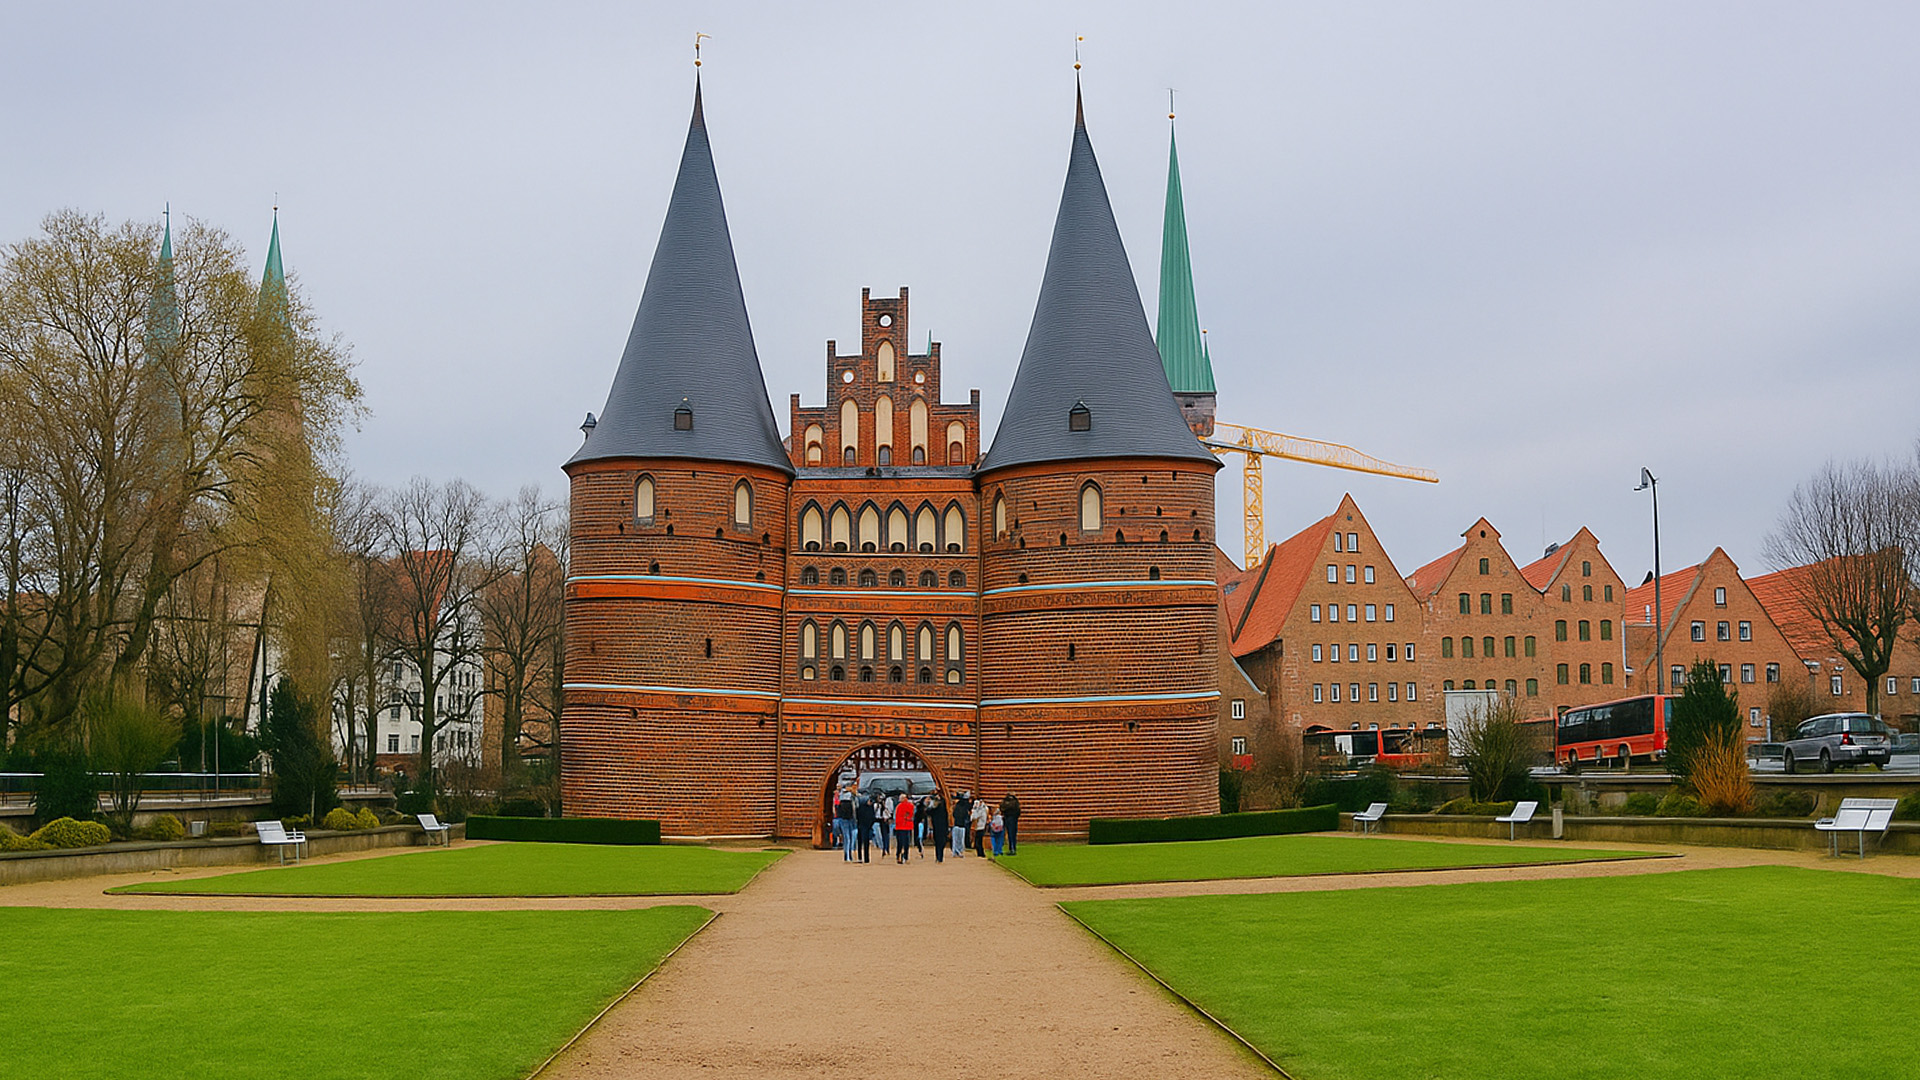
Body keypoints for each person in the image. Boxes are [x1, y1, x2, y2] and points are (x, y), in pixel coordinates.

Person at [925, 791, 949, 864]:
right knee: (938, 842)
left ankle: (939, 857)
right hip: (937, 826)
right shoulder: (934, 809)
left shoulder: (942, 807)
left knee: (941, 842)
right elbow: (928, 812)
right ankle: (938, 857)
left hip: (941, 826)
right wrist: (929, 805)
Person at [835, 785, 856, 861]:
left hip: (844, 818)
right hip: (849, 818)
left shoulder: (841, 798)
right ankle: (848, 854)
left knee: (846, 837)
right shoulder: (851, 798)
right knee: (849, 837)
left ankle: (847, 854)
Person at [893, 791, 915, 864]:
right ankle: (905, 856)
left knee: (900, 842)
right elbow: (910, 815)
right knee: (906, 843)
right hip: (907, 826)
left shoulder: (899, 806)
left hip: (900, 826)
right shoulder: (910, 805)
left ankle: (899, 855)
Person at [854, 790, 876, 863]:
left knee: (860, 842)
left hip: (861, 824)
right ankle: (866, 858)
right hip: (865, 825)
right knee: (865, 842)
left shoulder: (860, 806)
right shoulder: (870, 807)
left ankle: (860, 857)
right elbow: (873, 816)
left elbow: (857, 815)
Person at [1000, 791, 1021, 855]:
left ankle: (1008, 848)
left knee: (1007, 833)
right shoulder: (1015, 801)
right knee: (1012, 834)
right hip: (1013, 819)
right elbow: (1018, 810)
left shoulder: (1004, 801)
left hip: (1006, 818)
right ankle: (1012, 848)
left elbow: (1001, 808)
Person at [950, 791, 970, 858]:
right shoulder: (963, 807)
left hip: (958, 825)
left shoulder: (958, 806)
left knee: (957, 840)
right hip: (960, 825)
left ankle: (957, 852)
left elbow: (954, 814)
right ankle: (957, 851)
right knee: (959, 840)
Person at [969, 792, 989, 857]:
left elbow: (975, 816)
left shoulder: (982, 809)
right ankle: (979, 852)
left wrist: (974, 812)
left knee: (979, 840)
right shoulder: (980, 809)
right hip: (978, 826)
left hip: (980, 826)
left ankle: (981, 853)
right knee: (978, 840)